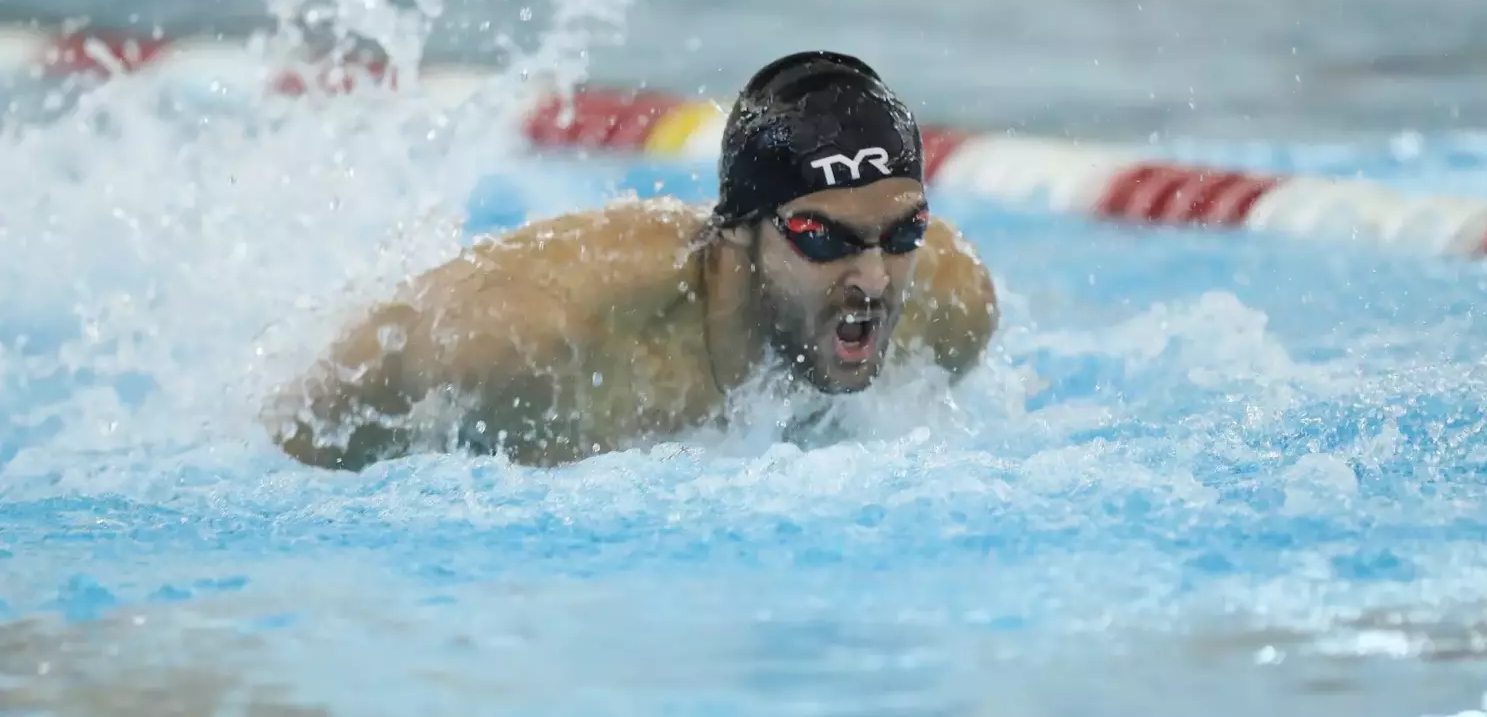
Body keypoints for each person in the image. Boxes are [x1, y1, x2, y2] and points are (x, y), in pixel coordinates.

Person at [266, 51, 998, 470]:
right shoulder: (533, 342)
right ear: (738, 231)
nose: (874, 278)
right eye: (824, 239)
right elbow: (295, 439)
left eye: (903, 233)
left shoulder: (948, 308)